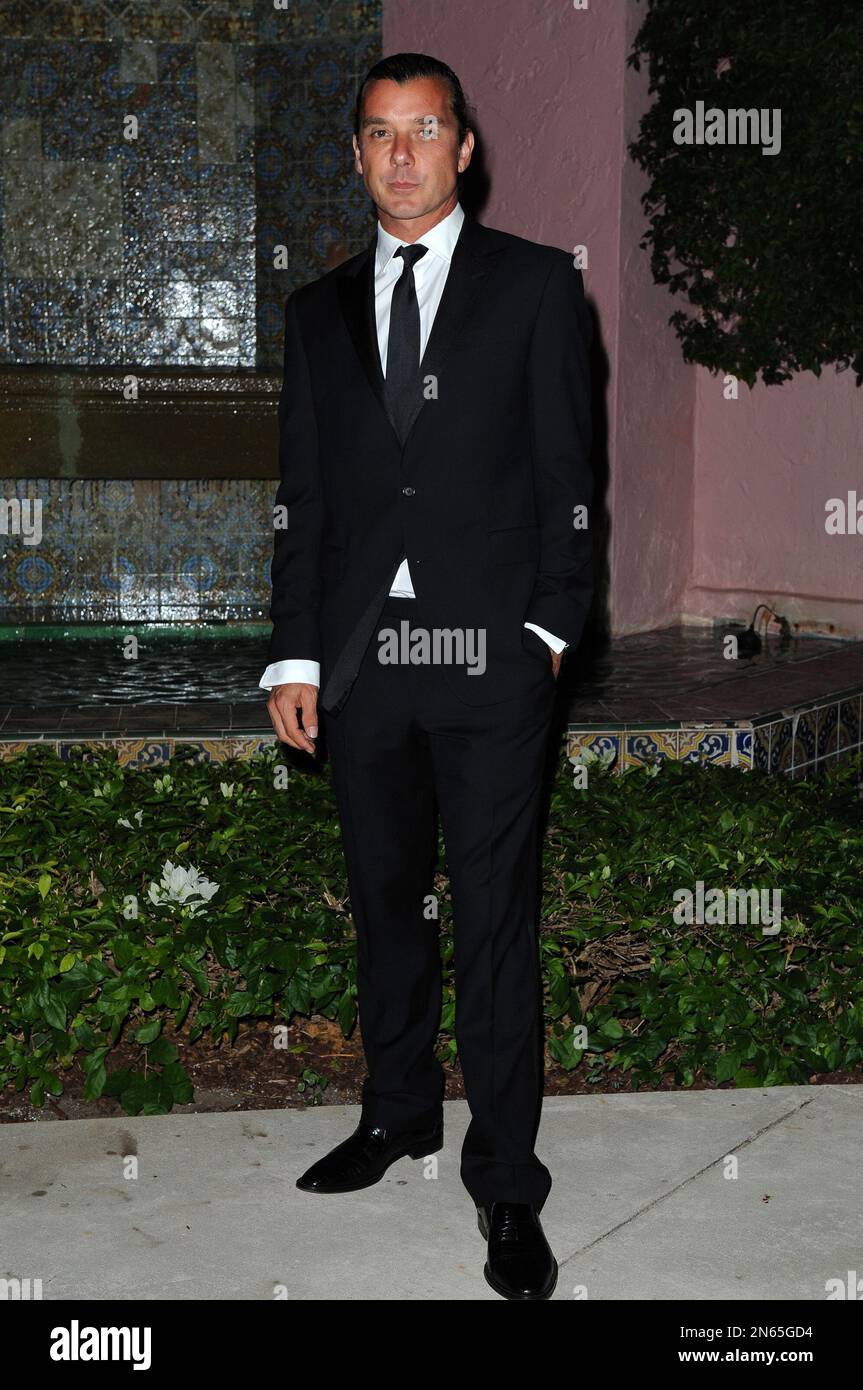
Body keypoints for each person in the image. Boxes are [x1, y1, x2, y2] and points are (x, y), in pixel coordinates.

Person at [261, 51, 593, 1301]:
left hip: (488, 663)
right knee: (387, 906)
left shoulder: (535, 290)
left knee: (493, 928)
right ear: (354, 155)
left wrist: (549, 635)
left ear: (464, 149)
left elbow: (570, 479)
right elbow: (303, 501)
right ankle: (398, 1112)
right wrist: (294, 651)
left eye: (425, 129)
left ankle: (506, 1187)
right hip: (364, 666)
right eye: (379, 133)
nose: (402, 153)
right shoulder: (315, 310)